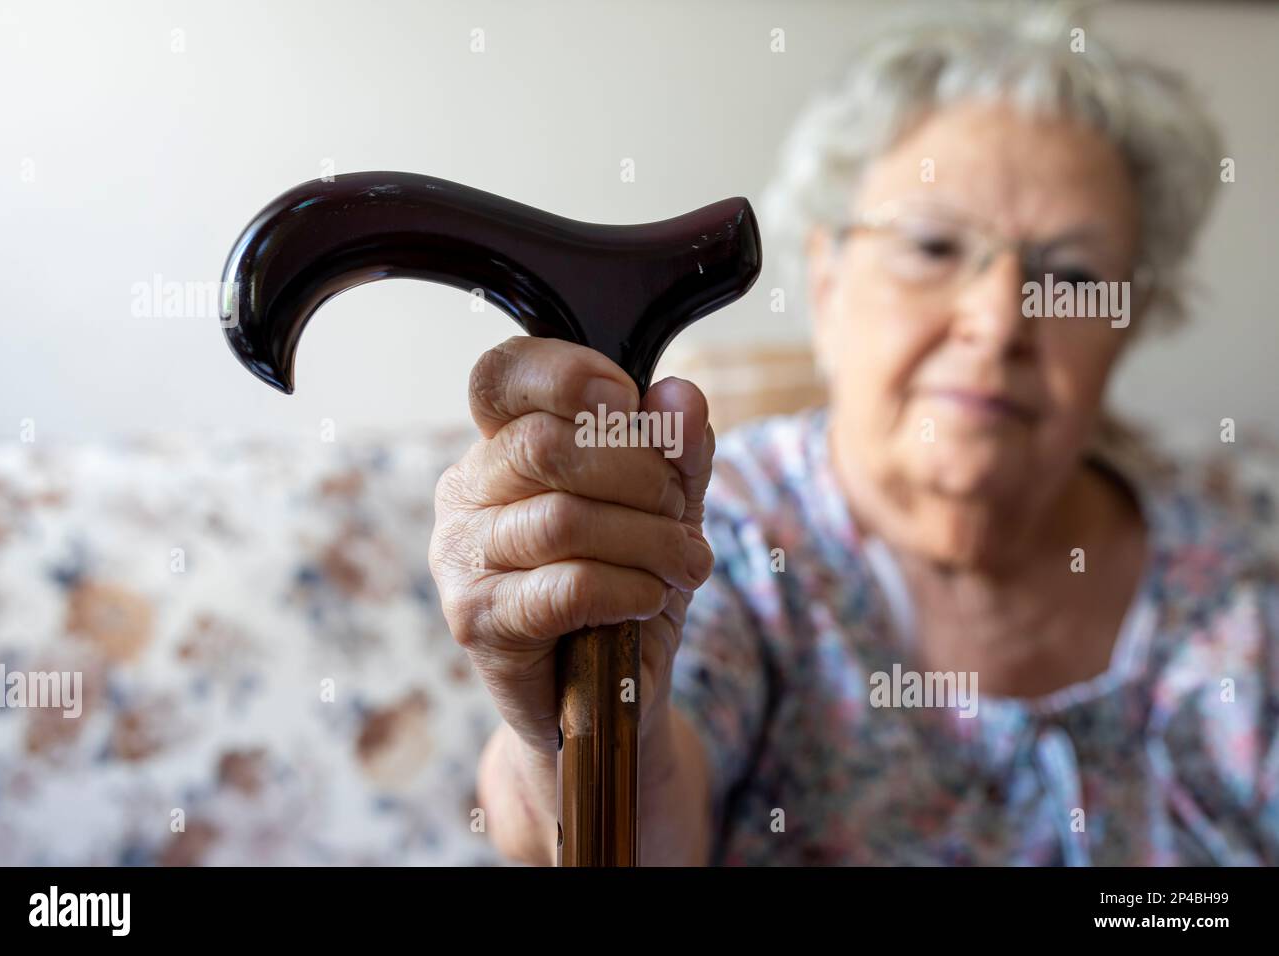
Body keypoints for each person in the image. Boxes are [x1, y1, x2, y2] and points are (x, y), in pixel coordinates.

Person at [428, 5, 1278, 865]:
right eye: (936, 246)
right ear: (827, 278)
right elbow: (632, 833)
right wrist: (570, 717)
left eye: (1072, 276)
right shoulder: (713, 529)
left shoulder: (1231, 584)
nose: (997, 322)